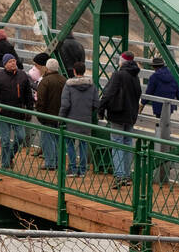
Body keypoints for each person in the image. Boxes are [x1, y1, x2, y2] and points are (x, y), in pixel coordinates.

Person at [98, 51, 142, 187]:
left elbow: (108, 93)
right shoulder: (135, 76)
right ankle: (127, 175)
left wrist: (100, 109)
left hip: (118, 114)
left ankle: (119, 175)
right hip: (131, 116)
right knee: (128, 143)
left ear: (122, 61)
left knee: (117, 143)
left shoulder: (118, 75)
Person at [0, 52, 34, 168]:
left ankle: (9, 156)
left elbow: (28, 94)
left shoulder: (22, 75)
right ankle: (5, 165)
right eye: (10, 62)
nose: (13, 63)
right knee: (5, 141)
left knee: (20, 137)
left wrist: (29, 109)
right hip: (3, 113)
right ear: (5, 64)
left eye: (14, 61)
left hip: (18, 113)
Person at [59, 61, 96, 177]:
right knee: (83, 144)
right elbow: (96, 104)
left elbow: (65, 104)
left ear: (74, 71)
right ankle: (83, 170)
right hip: (85, 119)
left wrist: (61, 118)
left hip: (71, 119)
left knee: (70, 143)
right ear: (84, 71)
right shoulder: (92, 85)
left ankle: (72, 169)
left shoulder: (68, 85)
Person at [34, 50, 65, 171]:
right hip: (60, 116)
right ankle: (57, 162)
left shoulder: (45, 81)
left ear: (47, 68)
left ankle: (50, 163)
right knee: (57, 140)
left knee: (48, 140)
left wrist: (40, 114)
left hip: (47, 115)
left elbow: (40, 100)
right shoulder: (64, 80)